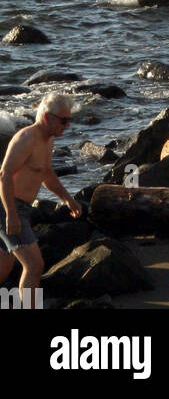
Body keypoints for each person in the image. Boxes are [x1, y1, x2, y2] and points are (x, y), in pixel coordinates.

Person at [0, 92, 81, 307]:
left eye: (69, 120)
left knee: (3, 269)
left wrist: (68, 199)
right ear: (47, 117)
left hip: (21, 209)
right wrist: (11, 214)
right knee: (34, 265)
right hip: (7, 207)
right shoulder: (26, 139)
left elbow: (46, 174)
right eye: (63, 120)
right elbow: (4, 174)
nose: (67, 125)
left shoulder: (47, 140)